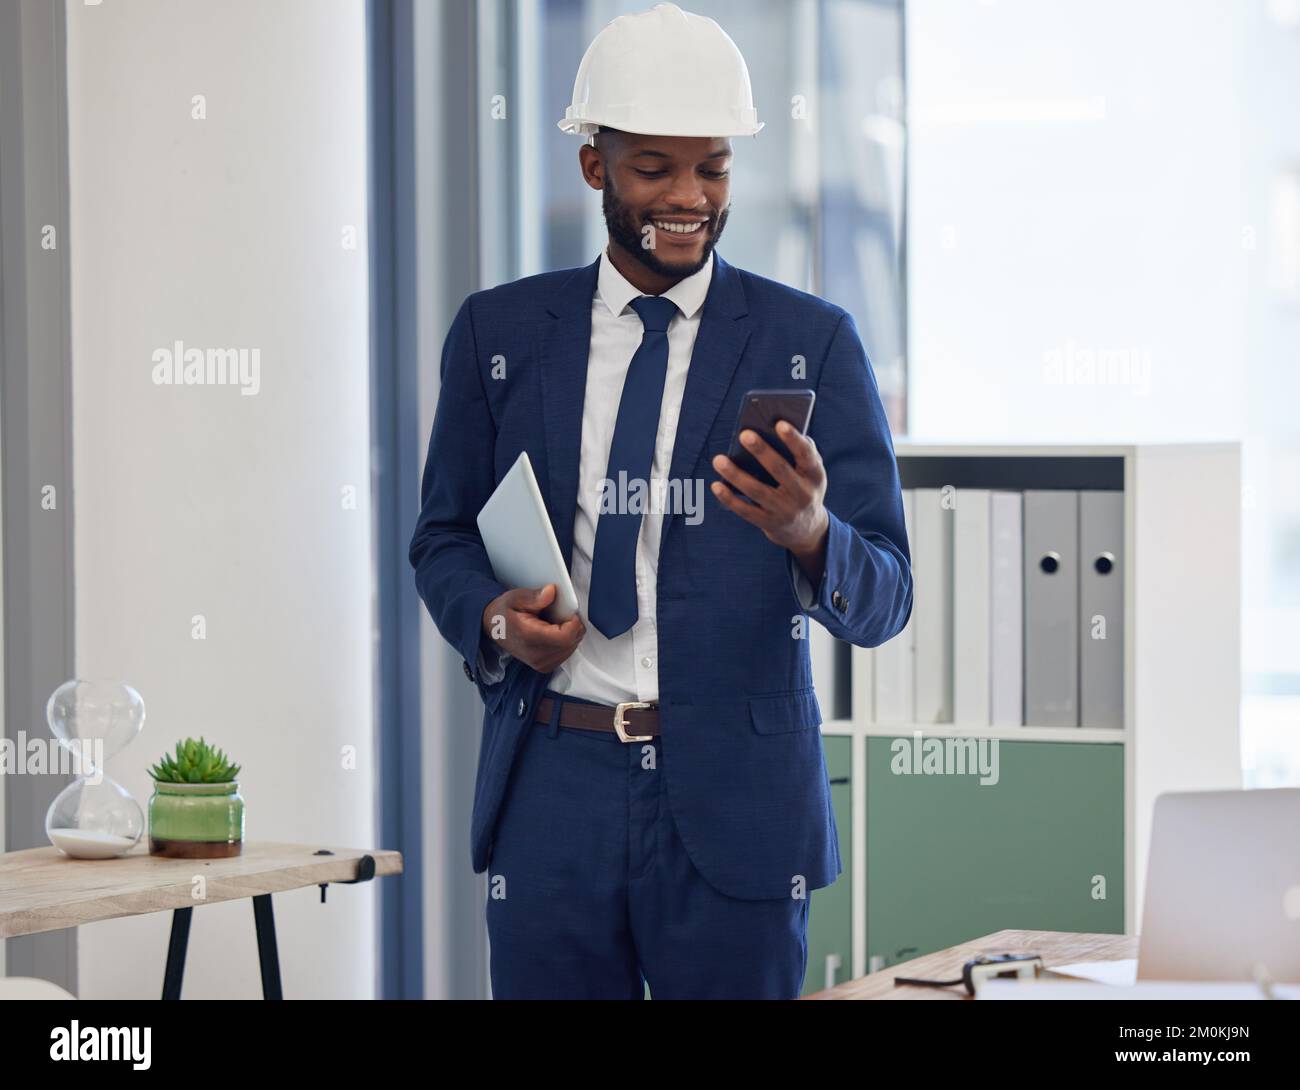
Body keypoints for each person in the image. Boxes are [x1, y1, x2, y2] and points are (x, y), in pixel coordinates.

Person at [409, 1, 912, 999]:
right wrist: (494, 619)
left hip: (737, 800)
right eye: (655, 167)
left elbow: (887, 592)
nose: (689, 196)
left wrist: (810, 533)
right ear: (595, 165)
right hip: (554, 790)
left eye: (713, 166)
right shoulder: (501, 334)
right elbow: (442, 537)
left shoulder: (808, 338)